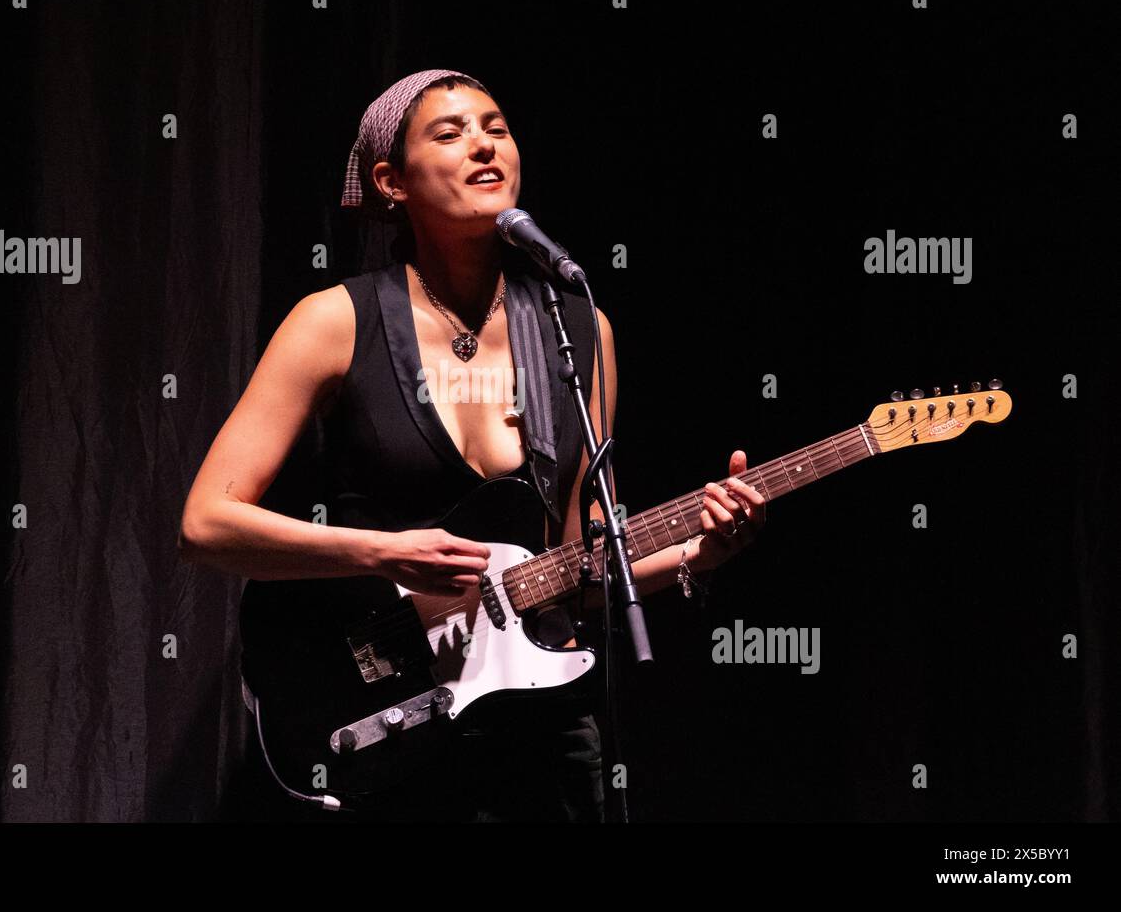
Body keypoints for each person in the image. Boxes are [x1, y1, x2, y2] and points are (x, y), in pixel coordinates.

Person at [178, 69, 766, 822]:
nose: (484, 145)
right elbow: (205, 523)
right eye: (450, 134)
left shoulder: (576, 329)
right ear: (391, 181)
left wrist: (698, 554)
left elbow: (576, 564)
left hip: (541, 728)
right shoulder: (334, 321)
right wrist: (380, 553)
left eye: (496, 126)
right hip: (389, 718)